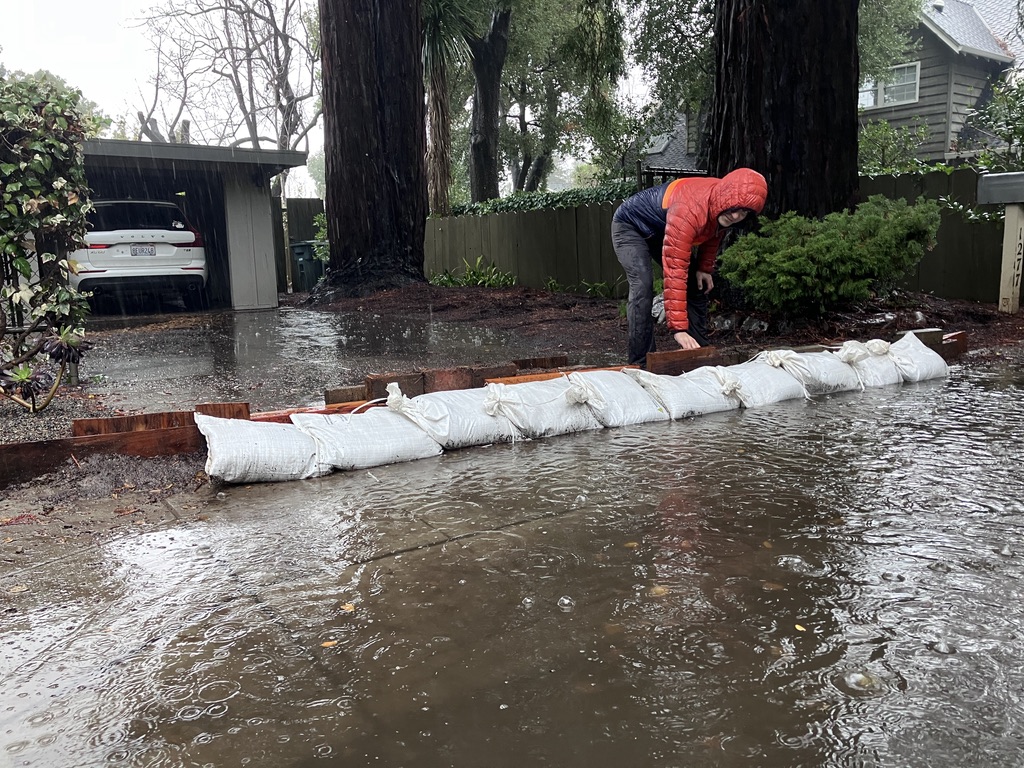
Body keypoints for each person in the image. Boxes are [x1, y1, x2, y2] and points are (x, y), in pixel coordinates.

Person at [612, 168, 768, 367]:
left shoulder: (722, 205)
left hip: (662, 228)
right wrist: (678, 329)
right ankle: (641, 362)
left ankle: (698, 352)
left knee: (697, 282)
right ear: (726, 196)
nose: (736, 215)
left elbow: (713, 233)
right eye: (734, 208)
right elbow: (675, 270)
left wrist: (704, 267)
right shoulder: (690, 209)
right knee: (643, 286)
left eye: (744, 212)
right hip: (630, 226)